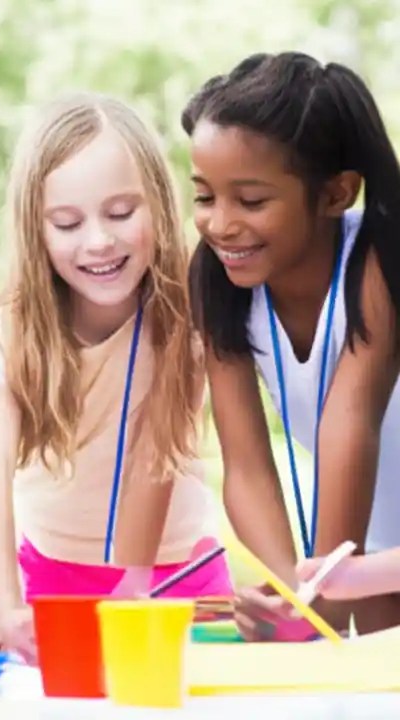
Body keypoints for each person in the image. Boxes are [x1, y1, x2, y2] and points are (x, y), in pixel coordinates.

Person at [0, 94, 230, 665]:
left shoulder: (186, 306)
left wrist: (134, 586)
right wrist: (5, 609)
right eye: (67, 223)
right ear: (36, 228)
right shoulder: (13, 322)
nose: (98, 241)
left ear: (159, 204)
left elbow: (156, 457)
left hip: (176, 579)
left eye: (121, 212)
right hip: (52, 580)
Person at [183, 52, 400, 640]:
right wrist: (292, 593)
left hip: (370, 558)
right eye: (204, 197)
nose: (220, 224)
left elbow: (350, 421)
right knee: (363, 669)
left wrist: (322, 600)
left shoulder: (378, 259)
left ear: (336, 195)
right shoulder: (217, 282)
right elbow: (246, 465)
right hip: (372, 548)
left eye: (251, 201)